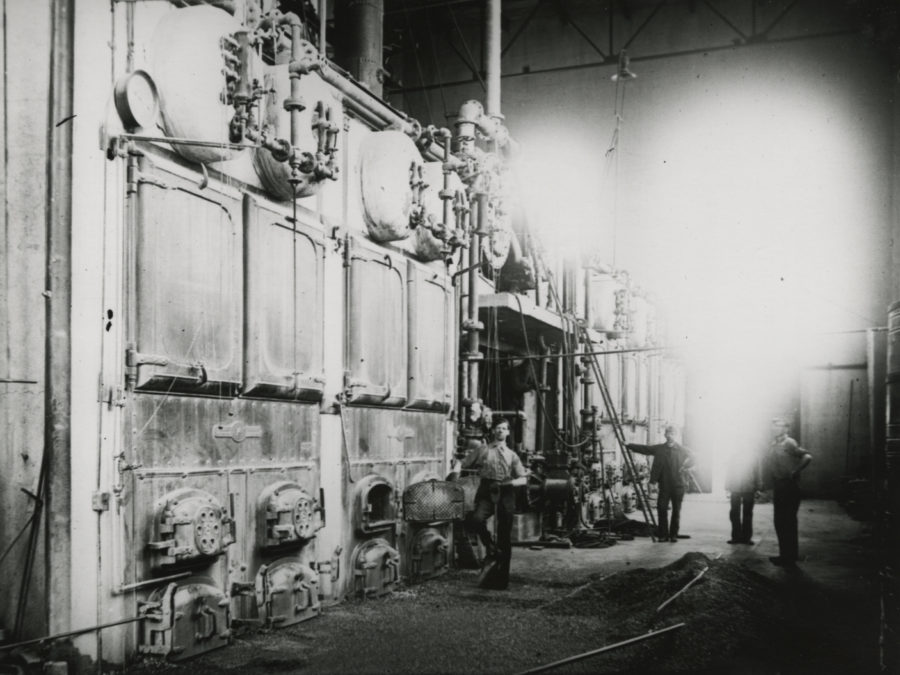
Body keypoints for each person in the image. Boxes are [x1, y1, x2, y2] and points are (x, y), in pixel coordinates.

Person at [453, 418, 527, 589]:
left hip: (506, 491)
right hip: (487, 489)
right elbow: (461, 463)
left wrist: (509, 484)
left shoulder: (512, 455)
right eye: (498, 428)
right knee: (476, 519)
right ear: (493, 431)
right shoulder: (482, 450)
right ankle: (490, 547)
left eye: (504, 428)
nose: (500, 431)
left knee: (504, 534)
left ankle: (501, 579)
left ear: (508, 432)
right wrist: (455, 474)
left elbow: (523, 479)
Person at [626, 425, 694, 542]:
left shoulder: (682, 449)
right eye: (668, 433)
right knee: (661, 509)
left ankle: (673, 535)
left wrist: (685, 467)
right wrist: (629, 445)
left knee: (676, 511)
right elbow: (645, 449)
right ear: (665, 435)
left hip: (678, 485)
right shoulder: (659, 449)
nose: (670, 436)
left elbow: (694, 457)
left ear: (675, 435)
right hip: (664, 485)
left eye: (672, 433)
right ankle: (663, 535)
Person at [766, 418, 812, 567]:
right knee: (779, 522)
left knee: (788, 521)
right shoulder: (774, 444)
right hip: (779, 485)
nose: (775, 429)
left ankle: (790, 557)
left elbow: (807, 456)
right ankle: (784, 555)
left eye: (778, 427)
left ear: (786, 429)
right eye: (773, 427)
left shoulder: (789, 442)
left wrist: (796, 470)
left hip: (790, 486)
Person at [726, 448, 762, 544]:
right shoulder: (734, 456)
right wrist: (727, 488)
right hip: (735, 488)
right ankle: (736, 537)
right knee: (734, 513)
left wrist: (758, 488)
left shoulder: (754, 457)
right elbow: (729, 472)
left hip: (749, 488)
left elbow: (757, 472)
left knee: (748, 514)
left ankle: (746, 538)